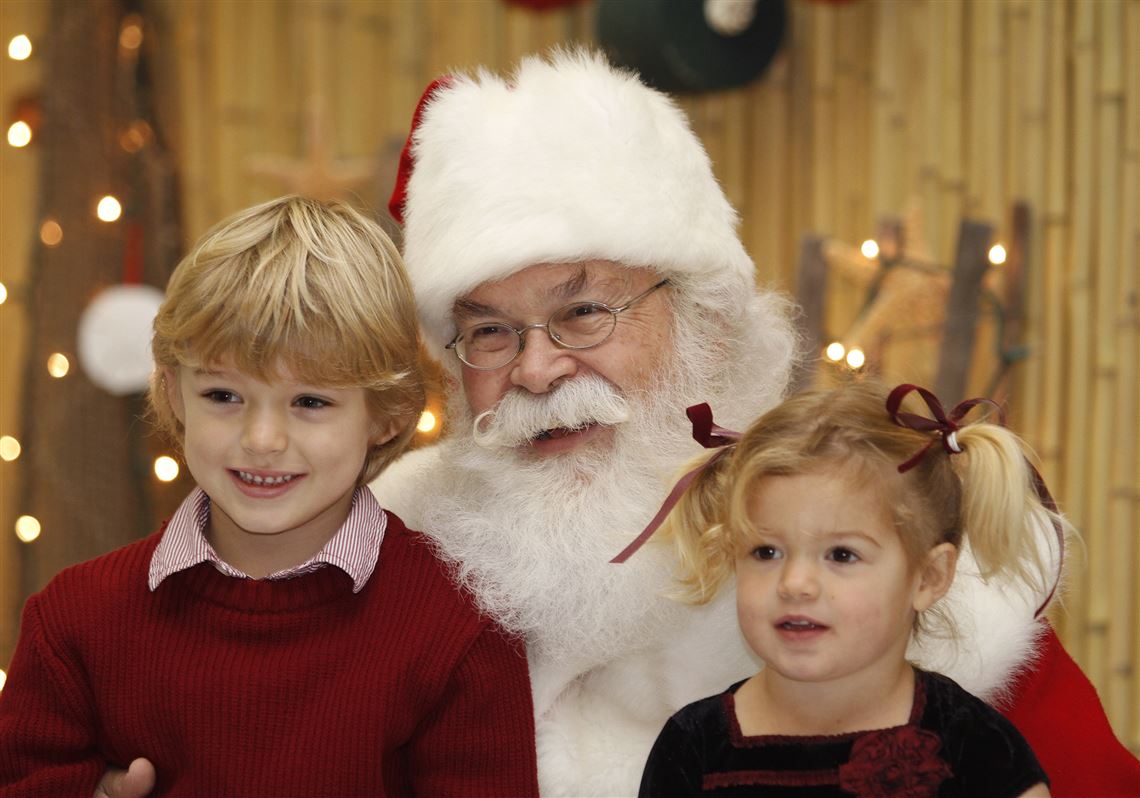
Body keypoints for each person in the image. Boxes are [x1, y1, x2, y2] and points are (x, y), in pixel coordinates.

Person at [97, 49, 1140, 797]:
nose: (541, 369)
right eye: (490, 333)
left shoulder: (855, 518)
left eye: (585, 311)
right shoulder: (391, 537)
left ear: (702, 320)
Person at [0, 196, 539, 796]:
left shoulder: (461, 631)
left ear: (387, 416)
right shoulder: (74, 621)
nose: (261, 440)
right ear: (175, 393)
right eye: (223, 396)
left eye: (310, 402)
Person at [637, 381, 1054, 796]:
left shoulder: (975, 747)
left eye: (841, 555)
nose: (795, 584)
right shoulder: (694, 748)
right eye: (766, 552)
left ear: (929, 578)